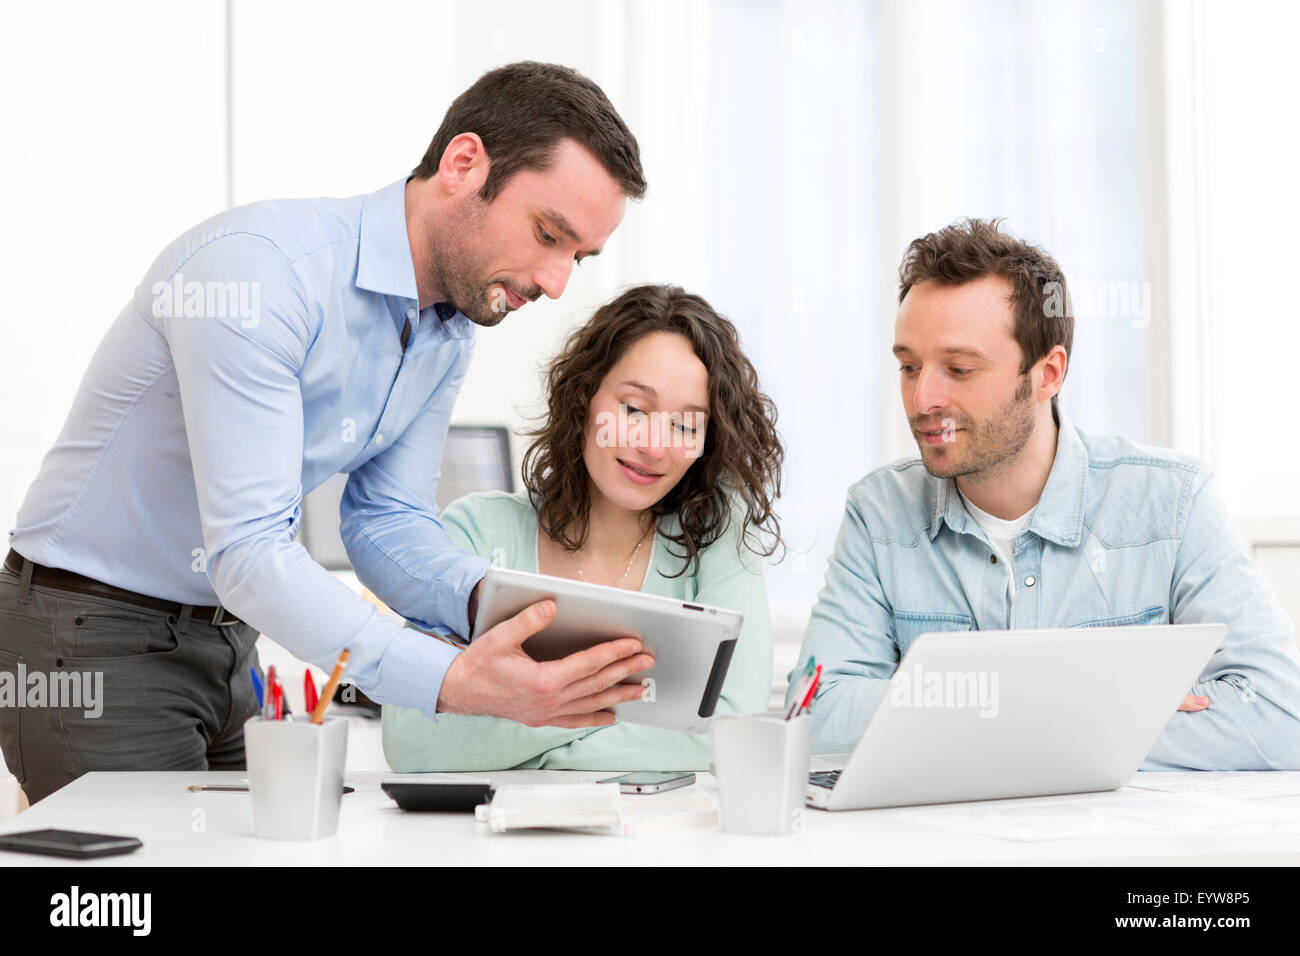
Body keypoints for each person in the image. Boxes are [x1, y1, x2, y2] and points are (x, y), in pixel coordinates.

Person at [1, 62, 653, 803]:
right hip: (90, 634)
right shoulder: (262, 274)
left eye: (580, 256)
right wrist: (450, 680)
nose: (559, 281)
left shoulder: (448, 330)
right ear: (464, 164)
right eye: (548, 234)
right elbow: (247, 550)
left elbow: (385, 519)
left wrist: (507, 613)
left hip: (226, 642)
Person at [792, 218, 1300, 771]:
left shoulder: (1172, 503)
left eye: (959, 368)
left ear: (1048, 374)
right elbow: (818, 716)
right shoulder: (879, 513)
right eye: (909, 366)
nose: (923, 397)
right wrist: (1080, 706)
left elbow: (1277, 716)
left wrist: (965, 716)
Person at [383, 284, 783, 770]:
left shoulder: (718, 532)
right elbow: (410, 738)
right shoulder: (477, 532)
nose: (654, 446)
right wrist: (639, 719)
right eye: (634, 410)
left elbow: (735, 731)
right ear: (585, 396)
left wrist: (529, 733)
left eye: (685, 425)